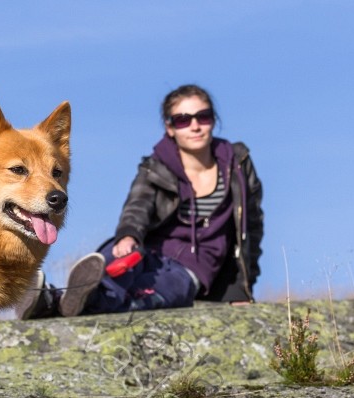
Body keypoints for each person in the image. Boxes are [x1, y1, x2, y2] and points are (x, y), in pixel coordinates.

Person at [16, 84, 263, 319]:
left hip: (193, 268)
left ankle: (51, 302)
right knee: (108, 270)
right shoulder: (155, 166)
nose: (195, 126)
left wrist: (241, 289)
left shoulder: (237, 164)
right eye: (183, 120)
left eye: (203, 117)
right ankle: (54, 299)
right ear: (170, 127)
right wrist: (128, 235)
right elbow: (138, 205)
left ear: (213, 120)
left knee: (149, 295)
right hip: (146, 249)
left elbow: (251, 229)